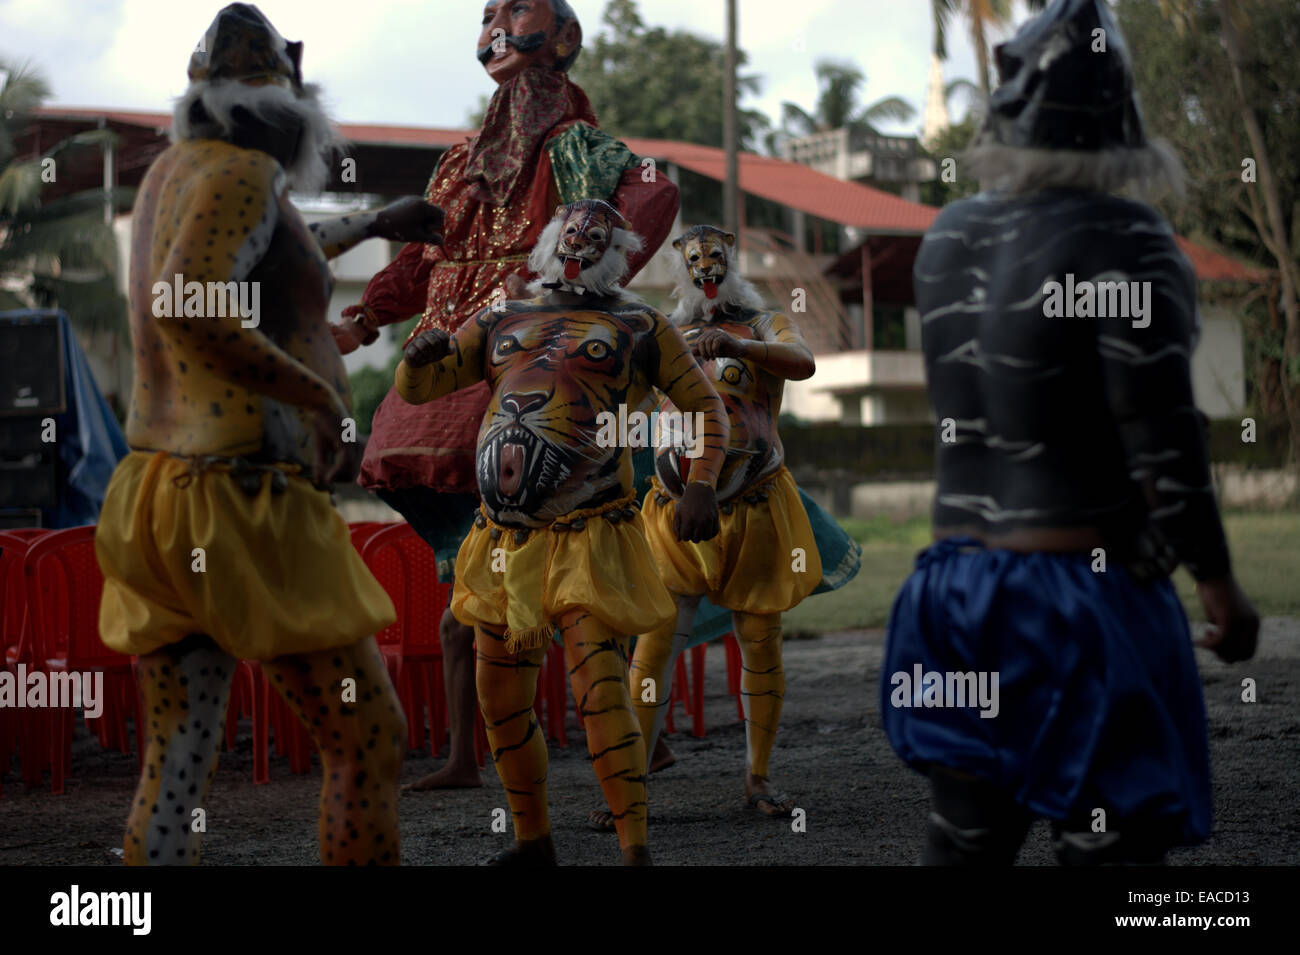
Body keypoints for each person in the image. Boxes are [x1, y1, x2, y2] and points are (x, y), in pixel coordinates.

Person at [881, 0, 1259, 866]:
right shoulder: (1129, 237)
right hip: (1079, 598)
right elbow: (1161, 434)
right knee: (1115, 843)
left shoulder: (947, 238)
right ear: (1119, 112)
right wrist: (1218, 584)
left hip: (951, 589)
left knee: (966, 840)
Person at [94, 3, 443, 865]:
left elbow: (268, 250)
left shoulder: (176, 172)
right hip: (245, 502)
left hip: (160, 496)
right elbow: (192, 304)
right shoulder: (246, 175)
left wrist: (372, 224)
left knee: (177, 761)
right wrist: (319, 400)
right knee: (367, 736)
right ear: (286, 110)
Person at [332, 0, 679, 791]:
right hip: (446, 385)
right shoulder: (459, 160)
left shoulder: (577, 146)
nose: (494, 26)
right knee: (471, 582)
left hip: (530, 380)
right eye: (487, 14)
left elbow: (655, 195)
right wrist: (362, 319)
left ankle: (629, 742)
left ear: (563, 38)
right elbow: (423, 259)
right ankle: (473, 755)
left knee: (561, 585)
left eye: (515, 9)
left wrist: (571, 284)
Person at [396, 199, 729, 865]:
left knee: (599, 691)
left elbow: (705, 407)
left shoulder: (640, 324)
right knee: (500, 697)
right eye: (571, 229)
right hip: (504, 540)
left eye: (596, 234)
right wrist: (415, 356)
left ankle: (634, 849)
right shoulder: (500, 316)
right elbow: (419, 388)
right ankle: (533, 842)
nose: (580, 239)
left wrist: (701, 483)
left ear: (617, 252)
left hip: (591, 534)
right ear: (550, 240)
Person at [625, 225, 823, 818]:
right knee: (654, 644)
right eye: (695, 259)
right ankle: (629, 783)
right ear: (681, 270)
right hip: (671, 513)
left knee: (760, 639)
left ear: (732, 263)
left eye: (716, 256)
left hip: (754, 506)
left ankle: (758, 777)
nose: (705, 266)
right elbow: (629, 402)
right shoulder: (664, 332)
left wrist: (742, 351)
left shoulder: (763, 324)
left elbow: (804, 363)